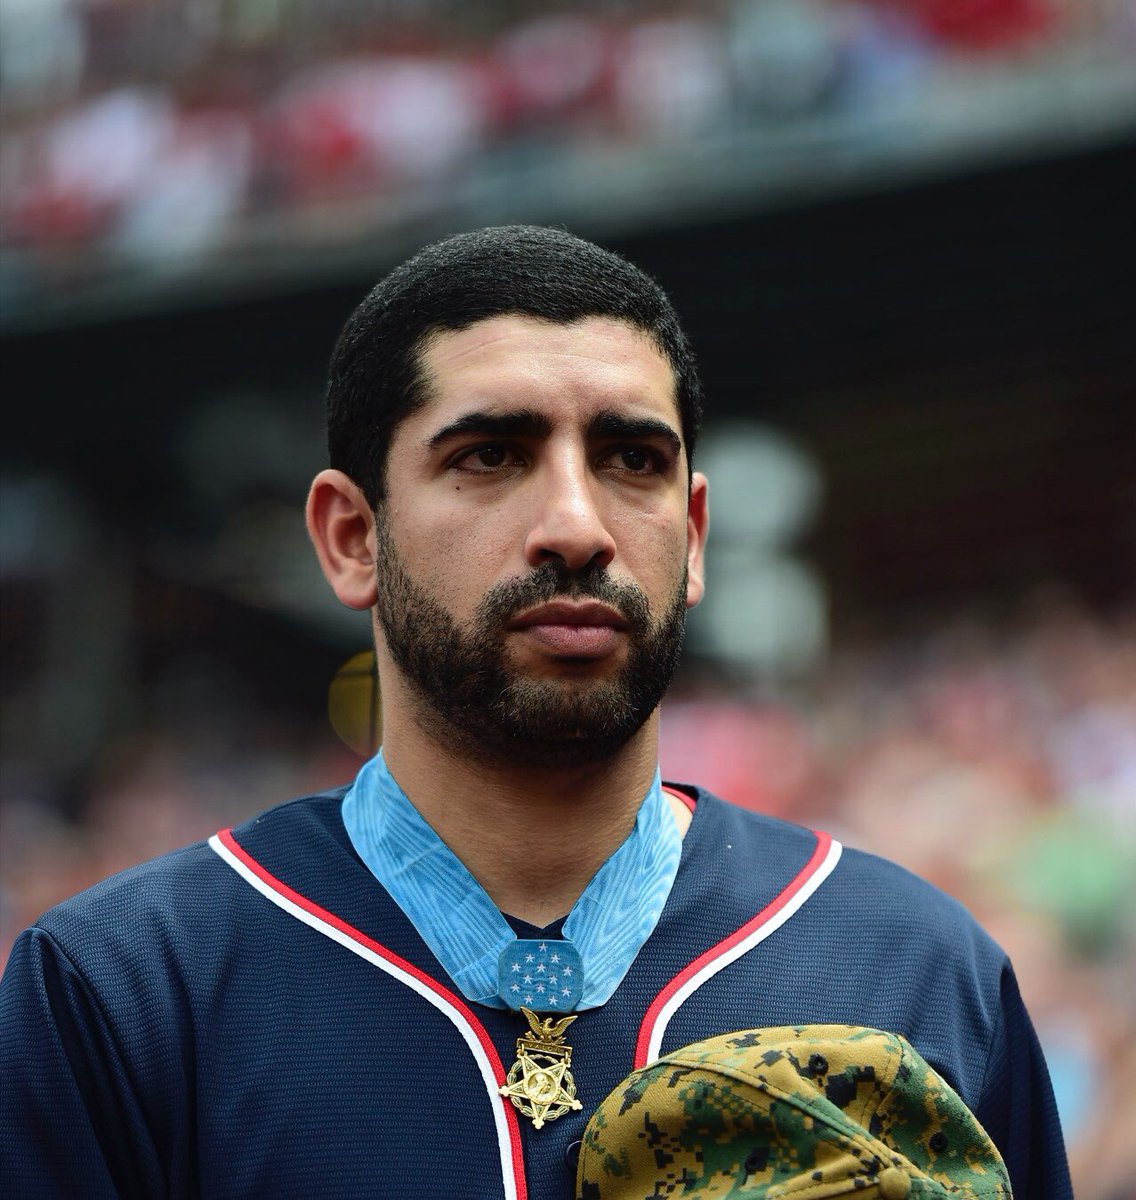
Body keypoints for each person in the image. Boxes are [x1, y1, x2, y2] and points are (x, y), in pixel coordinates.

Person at [0, 226, 1069, 1199]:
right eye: (490, 456)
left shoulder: (914, 964)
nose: (575, 525)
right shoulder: (123, 992)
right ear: (351, 538)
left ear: (695, 537)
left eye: (632, 460)